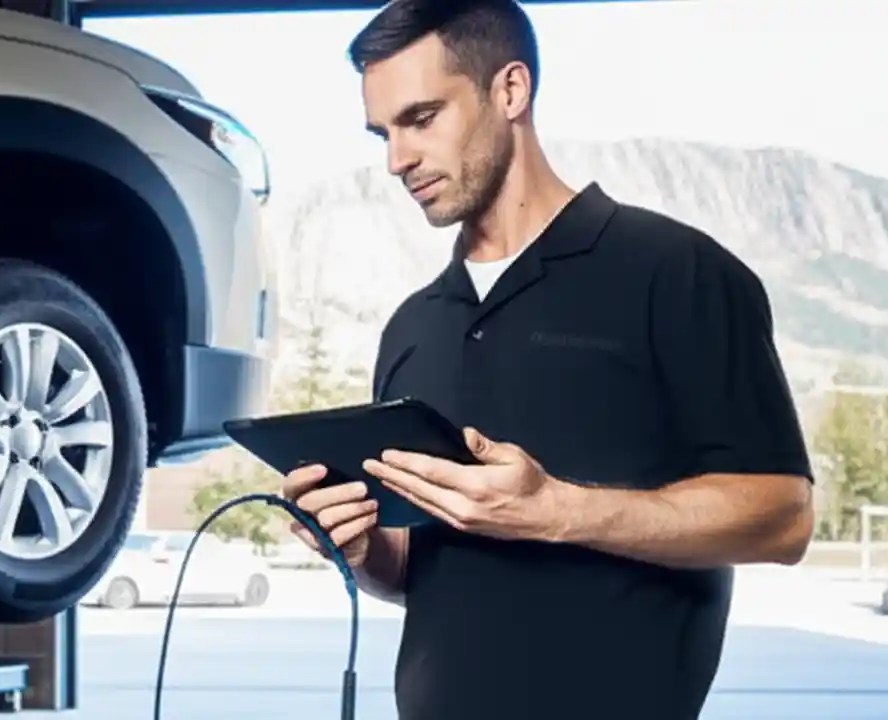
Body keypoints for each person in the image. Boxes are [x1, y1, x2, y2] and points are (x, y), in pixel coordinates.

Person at [279, 1, 816, 719]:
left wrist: (556, 511)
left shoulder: (676, 273)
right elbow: (420, 572)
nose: (396, 160)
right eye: (384, 133)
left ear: (510, 90)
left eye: (421, 119)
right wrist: (362, 547)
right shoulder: (413, 326)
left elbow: (783, 519)